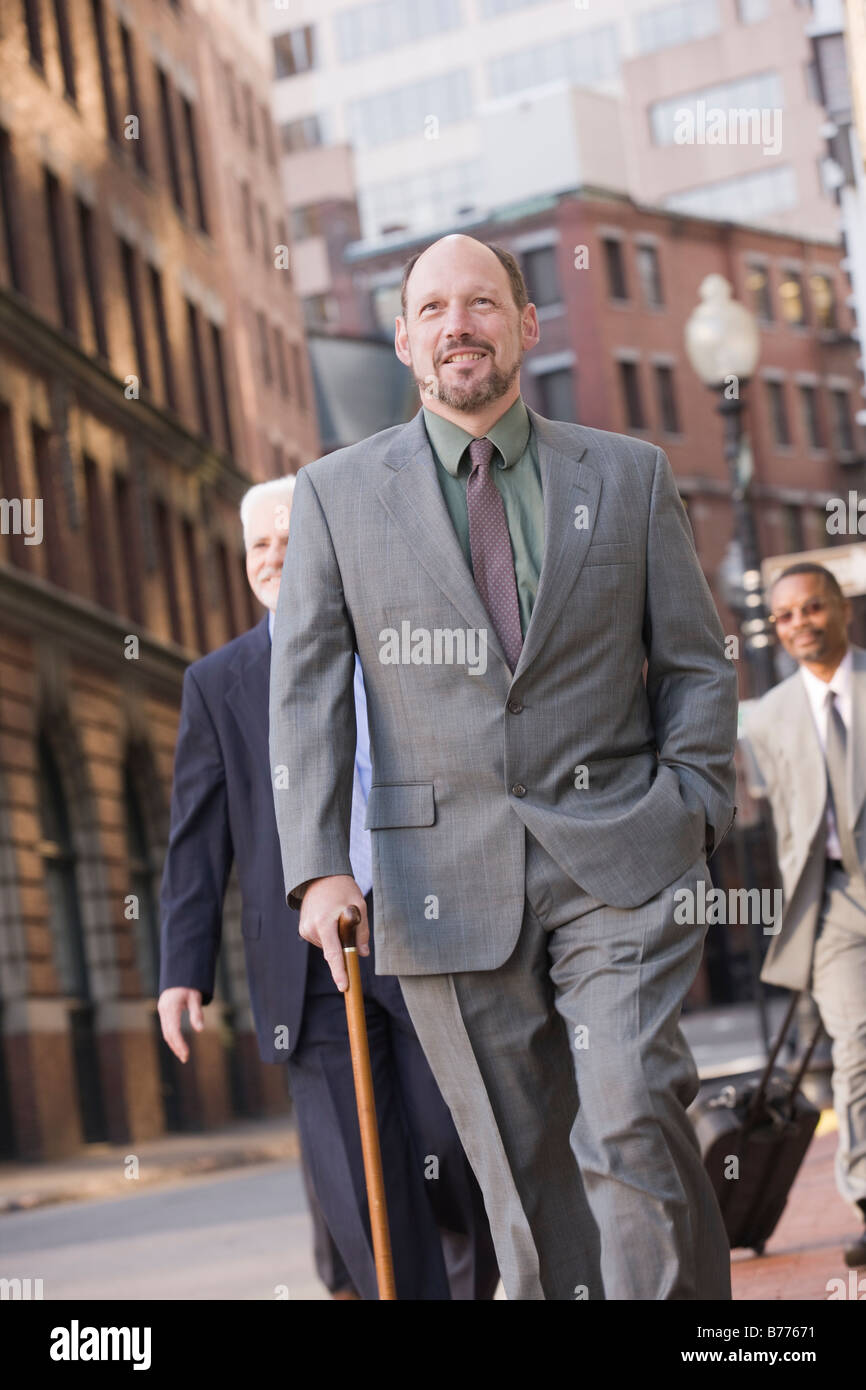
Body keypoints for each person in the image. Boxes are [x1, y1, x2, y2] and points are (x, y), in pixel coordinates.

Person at [269, 234, 739, 1300]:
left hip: (619, 853)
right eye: (431, 309)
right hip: (440, 883)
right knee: (521, 1173)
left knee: (626, 1110)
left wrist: (691, 804)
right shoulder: (335, 495)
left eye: (480, 302)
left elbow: (695, 664)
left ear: (527, 326)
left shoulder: (624, 475)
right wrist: (318, 868)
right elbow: (300, 694)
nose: (456, 326)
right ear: (401, 339)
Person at [158, 476, 497, 1301]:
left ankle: (491, 1269)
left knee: (452, 1148)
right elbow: (198, 837)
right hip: (305, 968)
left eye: (287, 541)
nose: (272, 560)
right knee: (358, 1189)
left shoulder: (387, 644)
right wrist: (181, 968)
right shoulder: (219, 681)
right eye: (257, 548)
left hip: (415, 931)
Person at [743, 562, 866, 1269]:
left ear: (841, 609)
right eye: (785, 617)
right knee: (854, 1047)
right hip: (833, 903)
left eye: (811, 609)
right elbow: (786, 826)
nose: (798, 625)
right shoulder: (765, 718)